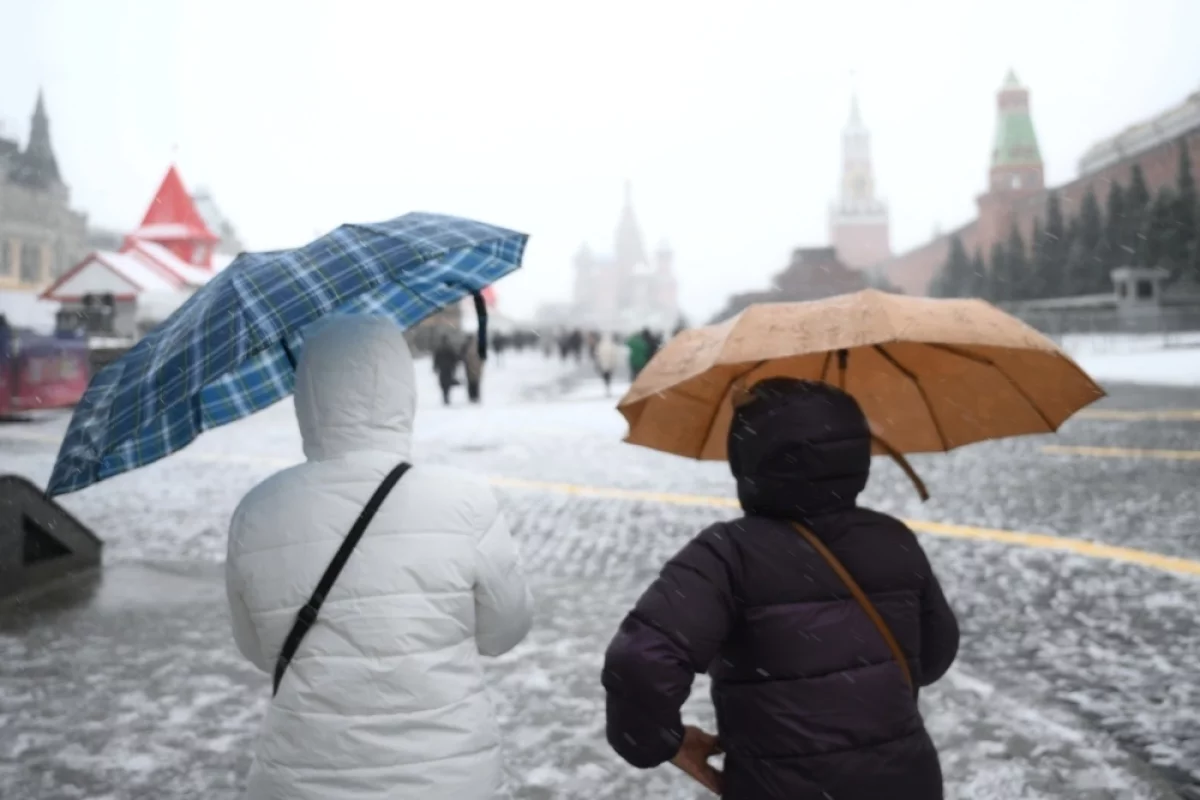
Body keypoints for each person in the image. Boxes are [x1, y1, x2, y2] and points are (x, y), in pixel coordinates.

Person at [601, 378, 959, 800]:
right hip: (905, 782)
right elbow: (935, 655)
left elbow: (641, 661)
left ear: (747, 459)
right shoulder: (893, 538)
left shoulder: (726, 554)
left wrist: (660, 742)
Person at [225, 316, 534, 800]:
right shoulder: (464, 500)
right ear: (401, 392)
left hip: (303, 778)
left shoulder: (258, 510)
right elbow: (505, 631)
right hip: (448, 778)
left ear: (308, 397)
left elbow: (257, 649)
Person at [432, 330, 461, 405]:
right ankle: (446, 396)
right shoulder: (449, 348)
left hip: (442, 368)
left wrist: (435, 366)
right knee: (447, 383)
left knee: (443, 383)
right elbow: (454, 358)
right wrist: (455, 364)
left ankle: (445, 396)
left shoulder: (439, 348)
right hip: (449, 368)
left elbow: (436, 359)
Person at [460, 330, 485, 404]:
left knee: (473, 382)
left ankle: (474, 396)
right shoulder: (471, 345)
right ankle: (473, 396)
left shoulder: (473, 346)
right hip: (471, 367)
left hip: (472, 367)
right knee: (473, 382)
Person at [594, 332, 619, 396]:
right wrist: (614, 363)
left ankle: (607, 387)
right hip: (610, 364)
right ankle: (608, 387)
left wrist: (598, 363)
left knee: (605, 376)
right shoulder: (612, 345)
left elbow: (597, 355)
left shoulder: (600, 345)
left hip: (603, 364)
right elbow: (614, 355)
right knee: (609, 376)